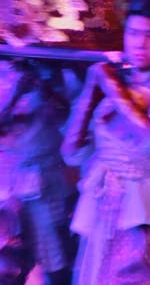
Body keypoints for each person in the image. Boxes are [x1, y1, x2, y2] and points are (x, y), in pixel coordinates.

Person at [62, 0, 150, 285]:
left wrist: (108, 84)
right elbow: (71, 152)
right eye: (133, 33)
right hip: (103, 205)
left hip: (149, 213)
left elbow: (149, 135)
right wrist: (89, 90)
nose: (139, 43)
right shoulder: (116, 86)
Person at [0, 58, 76, 285]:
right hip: (28, 177)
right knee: (48, 250)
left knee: (53, 249)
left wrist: (27, 91)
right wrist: (21, 93)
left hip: (43, 178)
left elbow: (69, 115)